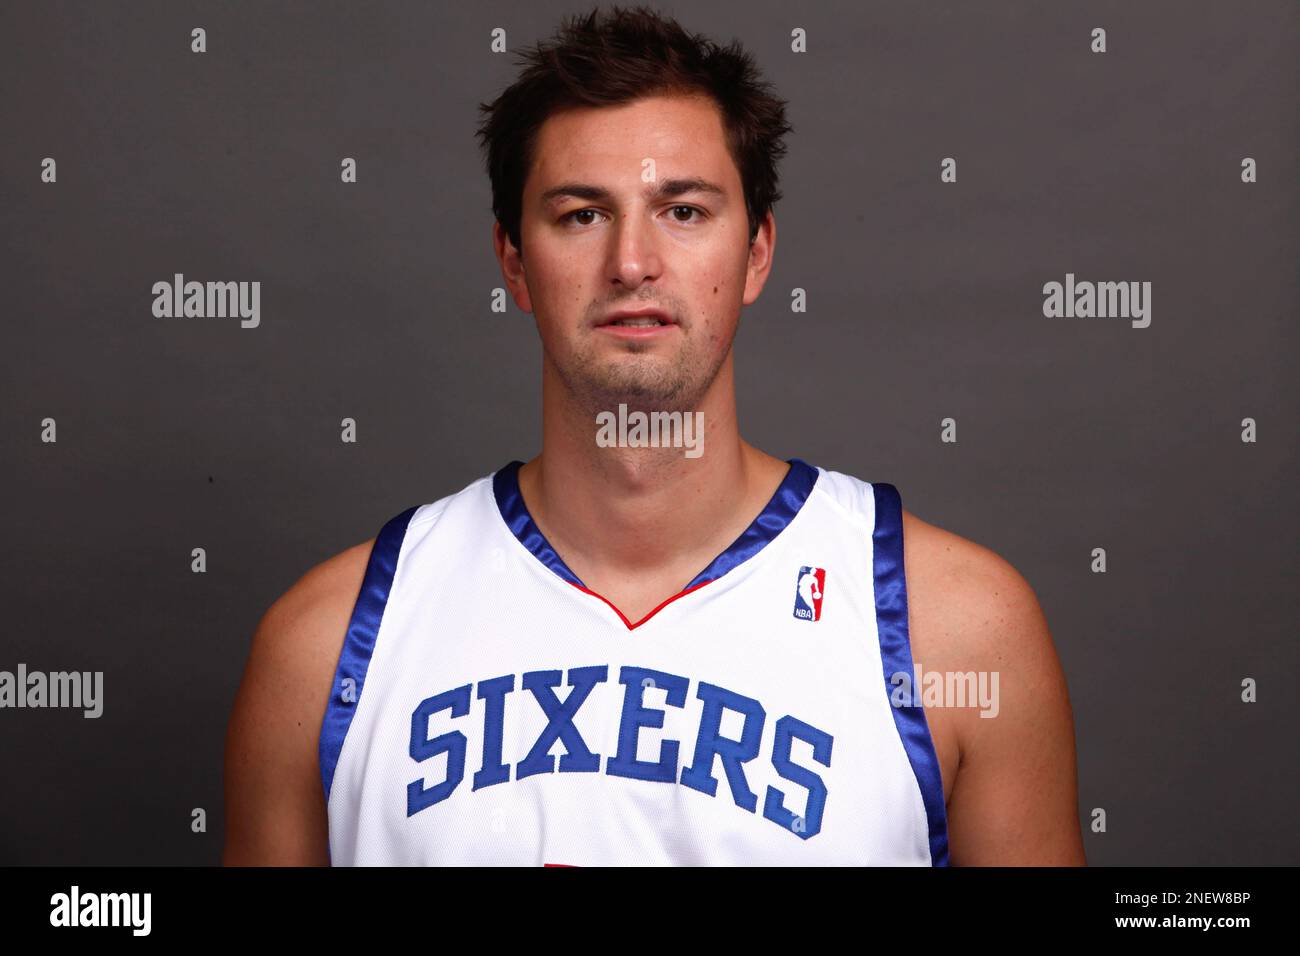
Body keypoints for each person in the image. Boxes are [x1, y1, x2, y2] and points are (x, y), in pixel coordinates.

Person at [223, 6, 1085, 866]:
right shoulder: (330, 645)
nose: (632, 262)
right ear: (513, 261)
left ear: (756, 253)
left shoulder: (955, 628)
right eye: (581, 215)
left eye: (682, 210)